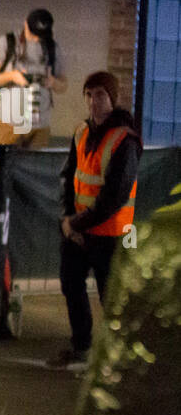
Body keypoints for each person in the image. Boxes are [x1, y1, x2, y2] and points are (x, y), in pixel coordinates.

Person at [47, 71, 141, 369]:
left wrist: (74, 224)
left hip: (109, 236)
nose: (93, 101)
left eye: (99, 94)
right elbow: (68, 178)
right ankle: (82, 346)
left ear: (112, 98)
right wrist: (67, 218)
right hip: (78, 232)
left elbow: (113, 197)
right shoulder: (81, 133)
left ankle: (119, 359)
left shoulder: (125, 140)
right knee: (71, 285)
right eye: (88, 94)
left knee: (111, 299)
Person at [0, 8, 66, 147]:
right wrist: (12, 76)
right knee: (2, 164)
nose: (38, 38)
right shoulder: (8, 42)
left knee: (34, 167)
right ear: (25, 24)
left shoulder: (52, 48)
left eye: (42, 34)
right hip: (10, 123)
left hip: (40, 125)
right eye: (34, 33)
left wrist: (53, 82)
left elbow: (63, 85)